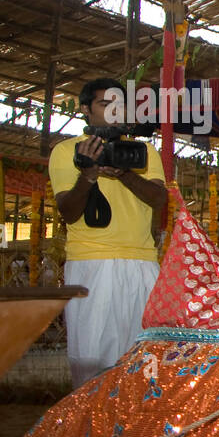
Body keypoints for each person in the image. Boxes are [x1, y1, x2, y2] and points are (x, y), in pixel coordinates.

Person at [49, 78, 167, 386]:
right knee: (92, 358)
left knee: (147, 353)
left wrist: (125, 174)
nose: (115, 112)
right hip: (91, 262)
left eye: (121, 106)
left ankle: (140, 428)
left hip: (142, 262)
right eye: (106, 105)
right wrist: (87, 176)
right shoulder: (65, 152)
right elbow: (69, 212)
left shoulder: (141, 152)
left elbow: (159, 199)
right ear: (86, 109)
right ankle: (92, 429)